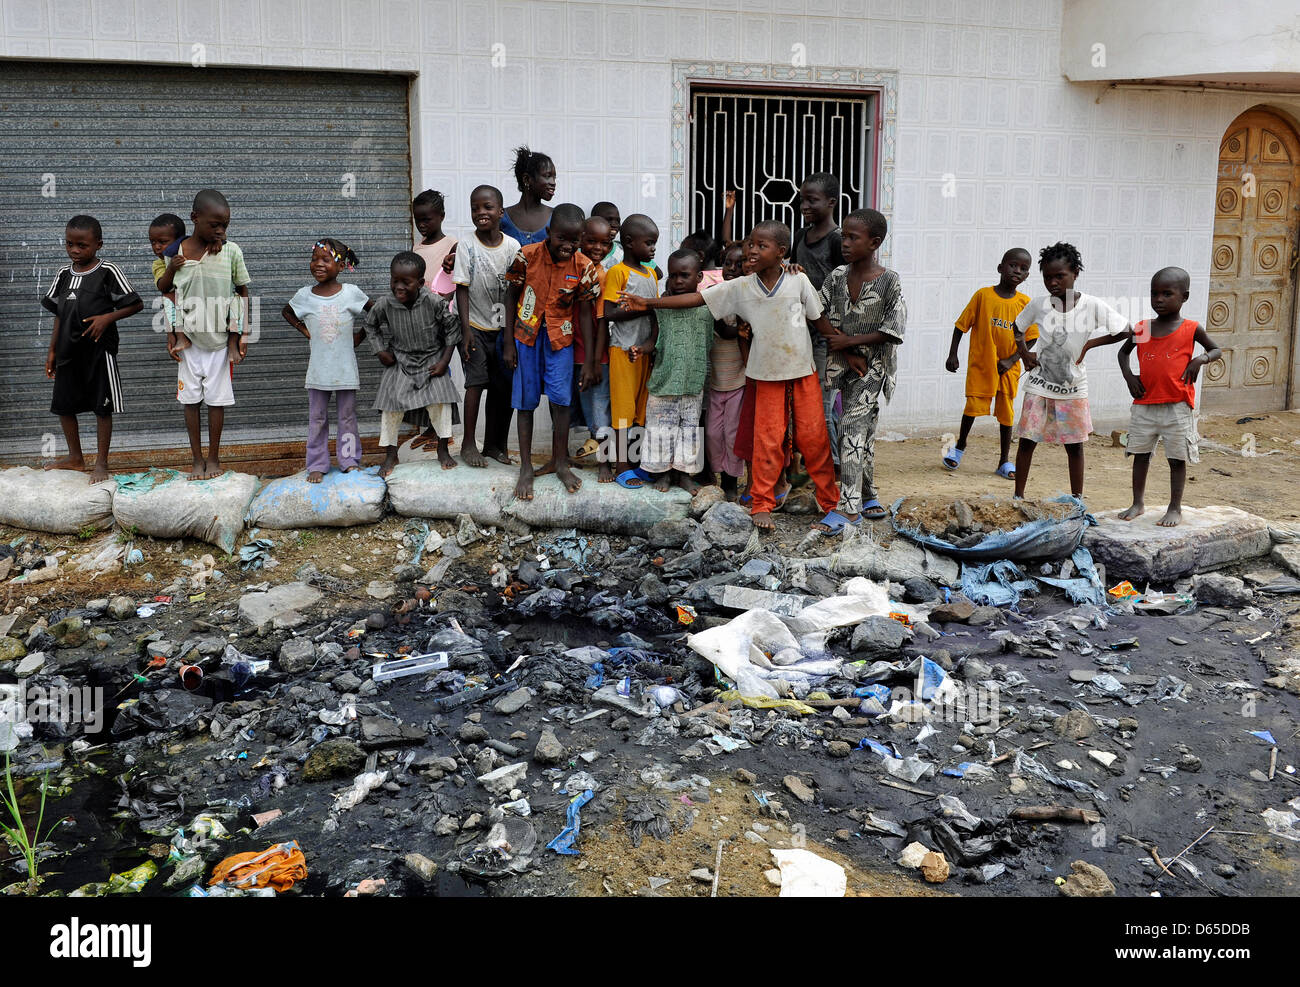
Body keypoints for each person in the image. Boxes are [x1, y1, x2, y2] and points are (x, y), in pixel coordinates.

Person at [621, 221, 842, 532]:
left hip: (802, 373)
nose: (751, 250)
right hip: (764, 377)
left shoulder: (798, 280)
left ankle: (830, 503)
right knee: (766, 441)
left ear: (781, 253)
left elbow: (819, 322)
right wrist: (648, 302)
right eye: (750, 243)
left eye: (760, 246)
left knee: (813, 438)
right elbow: (697, 299)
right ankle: (762, 501)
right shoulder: (740, 287)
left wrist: (846, 350)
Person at [1011, 242, 1131, 500]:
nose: (1053, 282)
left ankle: (1077, 500)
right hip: (1039, 386)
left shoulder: (1092, 305)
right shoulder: (1039, 305)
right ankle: (1018, 496)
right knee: (1027, 441)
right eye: (1047, 277)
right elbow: (1017, 327)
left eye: (1059, 276)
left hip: (1073, 388)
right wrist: (1024, 354)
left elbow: (1125, 330)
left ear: (1075, 273)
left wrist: (1089, 344)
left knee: (1074, 447)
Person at [811, 208, 906, 532]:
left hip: (873, 368)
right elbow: (816, 310)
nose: (845, 243)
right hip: (843, 362)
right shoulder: (837, 276)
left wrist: (853, 342)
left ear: (874, 242)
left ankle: (849, 509)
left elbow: (893, 329)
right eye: (844, 236)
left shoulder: (889, 281)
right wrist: (847, 348)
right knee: (861, 431)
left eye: (853, 237)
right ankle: (868, 493)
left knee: (850, 427)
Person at [502, 203, 599, 500]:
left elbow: (586, 314)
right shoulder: (526, 256)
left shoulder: (584, 266)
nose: (568, 246)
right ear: (549, 233)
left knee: (561, 402)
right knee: (525, 402)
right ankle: (527, 468)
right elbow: (510, 296)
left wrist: (590, 360)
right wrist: (508, 342)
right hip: (525, 338)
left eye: (574, 240)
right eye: (562, 239)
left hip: (561, 341)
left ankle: (559, 461)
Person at [1116, 267, 1222, 527]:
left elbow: (1216, 349)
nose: (1159, 299)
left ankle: (1175, 507)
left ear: (1184, 297)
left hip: (1177, 405)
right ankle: (1138, 502)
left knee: (1176, 458)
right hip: (1144, 404)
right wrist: (1130, 377)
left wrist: (1200, 358)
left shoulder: (1191, 328)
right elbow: (1123, 353)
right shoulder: (1143, 328)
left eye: (1167, 293)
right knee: (1140, 455)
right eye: (1154, 294)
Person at [156, 189, 250, 480]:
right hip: (189, 342)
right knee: (191, 401)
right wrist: (171, 335)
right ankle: (196, 459)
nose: (220, 230)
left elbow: (243, 292)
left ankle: (213, 458)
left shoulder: (231, 251)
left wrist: (242, 333)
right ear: (195, 218)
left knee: (217, 401)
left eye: (225, 225)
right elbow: (168, 295)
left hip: (220, 341)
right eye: (214, 225)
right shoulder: (175, 254)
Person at [41, 215, 143, 482]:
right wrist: (52, 350)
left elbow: (135, 303)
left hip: (99, 352)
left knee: (102, 408)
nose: (75, 250)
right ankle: (75, 457)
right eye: (69, 244)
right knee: (63, 406)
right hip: (68, 352)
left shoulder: (107, 271)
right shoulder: (63, 275)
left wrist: (107, 318)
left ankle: (101, 463)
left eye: (82, 245)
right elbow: (59, 314)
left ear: (98, 244)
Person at [634, 249, 727, 493]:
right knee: (661, 430)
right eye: (673, 275)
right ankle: (663, 474)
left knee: (689, 429)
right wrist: (641, 350)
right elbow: (654, 339)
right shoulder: (662, 306)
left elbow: (724, 331)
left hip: (693, 380)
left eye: (684, 275)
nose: (677, 281)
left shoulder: (707, 305)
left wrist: (741, 330)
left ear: (698, 278)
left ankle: (684, 474)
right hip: (665, 379)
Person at [282, 238, 371, 483]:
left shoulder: (351, 293)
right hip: (318, 372)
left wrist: (360, 336)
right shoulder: (304, 296)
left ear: (340, 266)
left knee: (347, 418)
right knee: (317, 419)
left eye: (326, 259)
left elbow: (375, 313)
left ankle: (349, 461)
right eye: (314, 259)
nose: (318, 264)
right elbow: (286, 311)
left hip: (345, 371)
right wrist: (303, 328)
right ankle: (317, 464)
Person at [368, 251, 462, 476]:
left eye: (406, 282)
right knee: (390, 405)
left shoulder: (433, 301)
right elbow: (370, 325)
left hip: (432, 360)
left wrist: (444, 361)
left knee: (442, 401)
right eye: (394, 280)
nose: (399, 287)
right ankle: (391, 454)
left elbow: (452, 328)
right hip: (400, 360)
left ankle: (442, 449)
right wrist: (380, 350)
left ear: (420, 283)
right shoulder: (385, 304)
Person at [944, 248, 1034, 478]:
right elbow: (961, 326)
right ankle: (960, 447)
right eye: (1013, 265)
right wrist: (952, 354)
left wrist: (1013, 359)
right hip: (981, 365)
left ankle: (1004, 461)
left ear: (1026, 276)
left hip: (1008, 368)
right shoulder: (983, 296)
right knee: (972, 407)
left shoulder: (1025, 303)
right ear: (1000, 268)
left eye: (1023, 269)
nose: (1017, 271)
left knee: (1006, 413)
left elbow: (1031, 338)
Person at [452, 184, 520, 467]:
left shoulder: (512, 247)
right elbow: (462, 288)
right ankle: (469, 444)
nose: (481, 213)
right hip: (475, 327)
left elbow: (512, 293)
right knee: (476, 383)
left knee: (503, 388)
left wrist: (508, 339)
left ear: (501, 212)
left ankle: (495, 445)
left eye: (488, 207)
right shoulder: (467, 244)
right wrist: (467, 331)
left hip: (503, 329)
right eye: (475, 208)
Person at [601, 214, 661, 486]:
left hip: (645, 352)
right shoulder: (618, 273)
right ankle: (620, 466)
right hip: (623, 350)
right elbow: (609, 312)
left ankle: (636, 462)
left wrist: (652, 345)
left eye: (654, 243)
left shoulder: (650, 273)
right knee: (623, 411)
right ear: (628, 242)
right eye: (648, 243)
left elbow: (655, 312)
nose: (652, 249)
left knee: (640, 410)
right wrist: (638, 306)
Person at [794, 172, 846, 473]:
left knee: (824, 403)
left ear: (831, 202)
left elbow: (845, 287)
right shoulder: (801, 236)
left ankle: (834, 465)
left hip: (826, 333)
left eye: (811, 200)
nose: (805, 205)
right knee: (806, 399)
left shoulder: (837, 241)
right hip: (799, 330)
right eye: (802, 199)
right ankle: (812, 460)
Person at [706, 242, 749, 499]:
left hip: (738, 380)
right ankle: (716, 474)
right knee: (712, 433)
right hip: (715, 380)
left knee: (732, 434)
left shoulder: (747, 297)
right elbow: (722, 329)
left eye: (738, 264)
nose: (732, 269)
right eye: (727, 263)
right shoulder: (715, 293)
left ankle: (731, 482)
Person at [574, 214, 614, 481]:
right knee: (587, 405)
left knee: (600, 406)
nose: (598, 248)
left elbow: (601, 321)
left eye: (604, 243)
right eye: (591, 242)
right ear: (580, 240)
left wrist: (594, 360)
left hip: (596, 354)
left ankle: (604, 463)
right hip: (575, 349)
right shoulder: (575, 267)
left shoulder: (602, 275)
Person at [147, 212, 187, 355]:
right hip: (179, 320)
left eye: (162, 242)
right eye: (153, 242)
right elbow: (163, 287)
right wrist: (171, 267)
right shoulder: (159, 264)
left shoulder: (191, 255)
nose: (156, 247)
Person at [501, 146, 555, 246]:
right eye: (547, 176)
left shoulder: (556, 216)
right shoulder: (502, 217)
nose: (553, 182)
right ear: (526, 179)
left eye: (554, 177)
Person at [411, 189, 457, 299]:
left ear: (442, 216)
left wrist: (450, 296)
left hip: (443, 305)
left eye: (426, 220)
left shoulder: (452, 244)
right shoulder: (416, 248)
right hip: (422, 304)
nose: (421, 225)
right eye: (417, 220)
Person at [591, 201, 623, 269]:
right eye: (609, 220)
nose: (615, 225)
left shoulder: (622, 252)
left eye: (618, 221)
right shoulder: (582, 250)